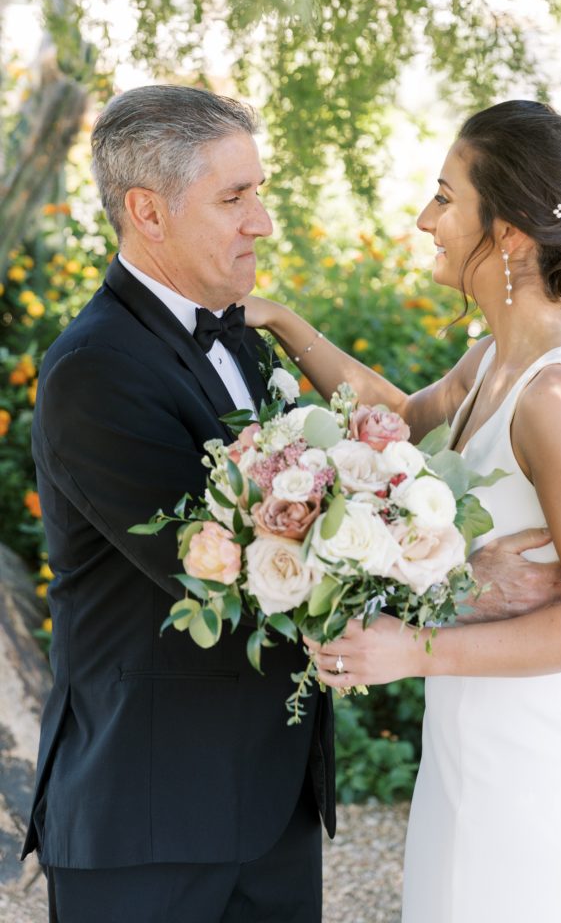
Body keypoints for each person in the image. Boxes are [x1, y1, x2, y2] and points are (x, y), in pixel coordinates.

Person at [243, 100, 561, 922]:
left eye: (445, 197)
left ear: (512, 234)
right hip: (469, 751)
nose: (427, 220)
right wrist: (284, 323)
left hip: (528, 773)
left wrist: (411, 648)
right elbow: (391, 421)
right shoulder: (495, 356)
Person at [22, 85, 337, 923]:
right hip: (150, 821)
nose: (261, 221)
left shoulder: (239, 333)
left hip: (270, 809)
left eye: (258, 192)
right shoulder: (94, 369)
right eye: (234, 198)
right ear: (146, 212)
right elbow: (216, 569)